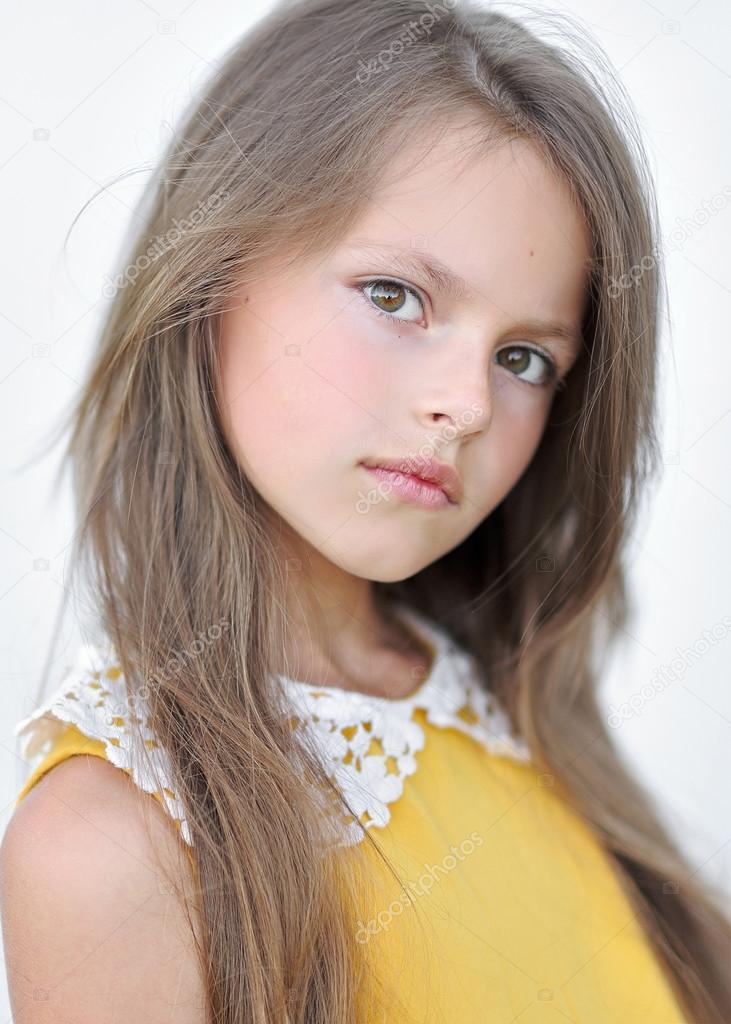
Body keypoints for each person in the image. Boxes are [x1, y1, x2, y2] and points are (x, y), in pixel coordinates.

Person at [2, 1, 730, 1021]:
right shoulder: (114, 839)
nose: (467, 404)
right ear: (209, 276)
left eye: (522, 358)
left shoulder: (527, 722)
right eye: (395, 296)